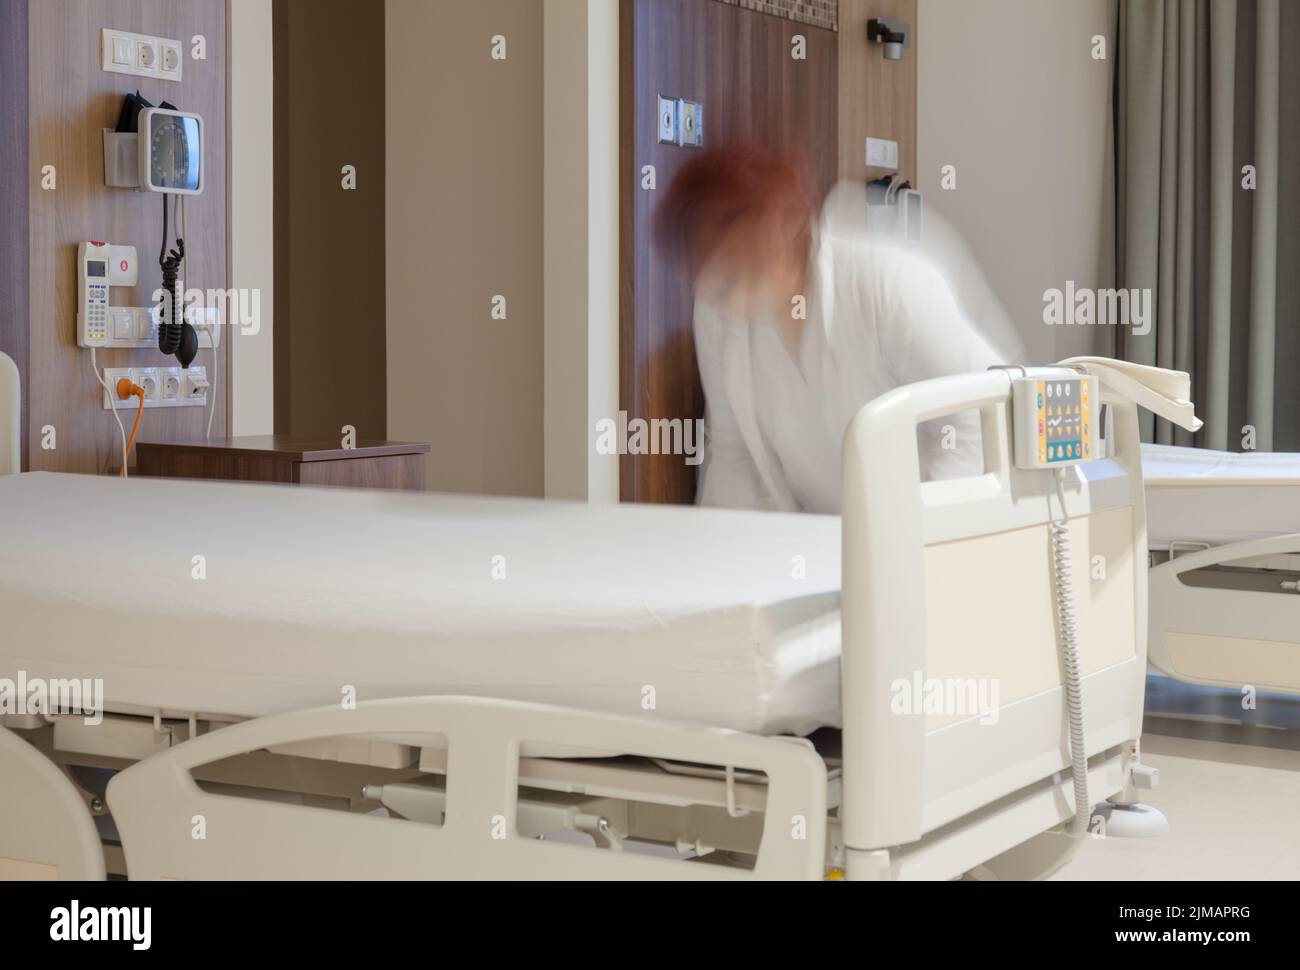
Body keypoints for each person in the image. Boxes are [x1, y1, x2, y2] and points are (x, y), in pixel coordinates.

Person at [655, 148, 1009, 514]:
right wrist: (722, 556)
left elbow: (977, 422)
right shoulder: (717, 310)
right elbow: (732, 453)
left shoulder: (887, 285)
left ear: (779, 222)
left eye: (726, 244)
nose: (714, 282)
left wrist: (910, 537)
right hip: (821, 546)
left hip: (921, 537)